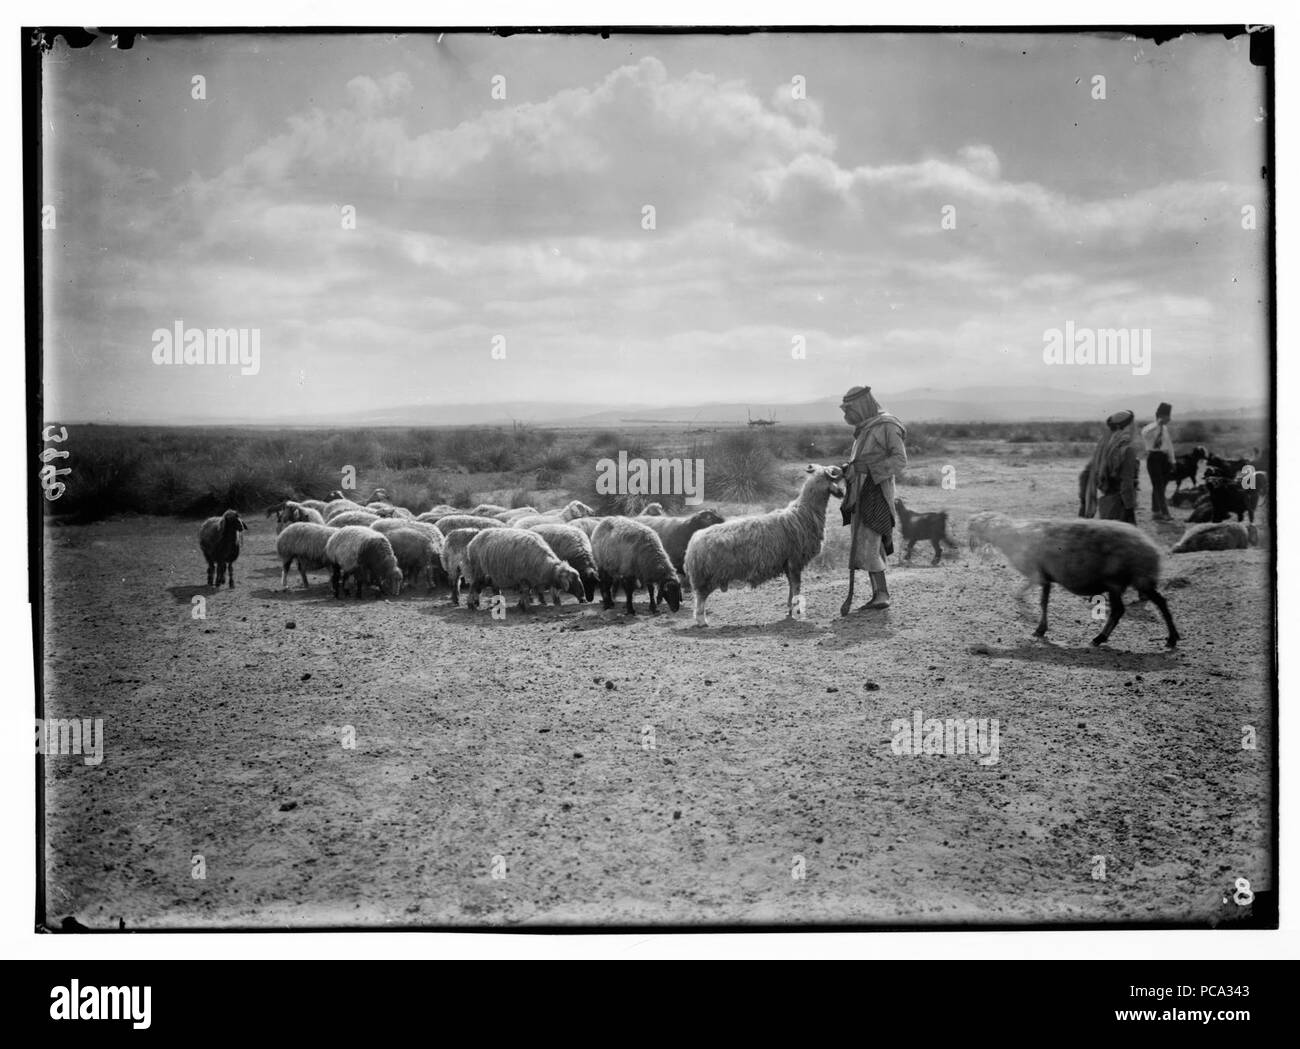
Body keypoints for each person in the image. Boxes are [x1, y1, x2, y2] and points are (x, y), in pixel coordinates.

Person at [839, 385, 908, 609]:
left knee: (870, 543)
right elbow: (861, 461)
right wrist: (848, 469)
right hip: (860, 491)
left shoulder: (887, 425)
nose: (846, 415)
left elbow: (899, 461)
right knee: (867, 543)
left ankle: (882, 595)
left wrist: (869, 469)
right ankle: (879, 593)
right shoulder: (866, 427)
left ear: (861, 405)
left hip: (876, 492)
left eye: (849, 410)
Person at [1084, 409, 1138, 524]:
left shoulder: (1104, 446)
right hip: (1121, 506)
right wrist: (1130, 510)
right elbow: (1126, 484)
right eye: (1132, 424)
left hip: (1107, 504)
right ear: (1125, 427)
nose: (1134, 428)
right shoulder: (1127, 450)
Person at [1141, 402, 1176, 521]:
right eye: (1167, 416)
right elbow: (1144, 434)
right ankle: (1165, 513)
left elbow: (1169, 445)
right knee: (1158, 486)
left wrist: (1172, 461)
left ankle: (1156, 511)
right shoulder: (1150, 428)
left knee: (1161, 486)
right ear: (1160, 416)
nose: (1169, 419)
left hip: (1164, 459)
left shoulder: (1165, 429)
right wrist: (1157, 424)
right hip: (1153, 458)